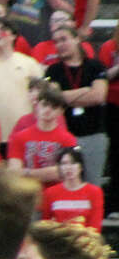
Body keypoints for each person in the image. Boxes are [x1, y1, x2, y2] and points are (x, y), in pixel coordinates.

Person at [45, 24, 108, 184]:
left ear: (77, 39)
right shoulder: (52, 71)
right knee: (66, 184)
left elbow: (98, 96)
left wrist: (63, 96)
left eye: (64, 39)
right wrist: (85, 91)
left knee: (93, 184)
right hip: (64, 137)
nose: (60, 44)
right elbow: (52, 99)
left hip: (93, 134)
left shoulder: (95, 66)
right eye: (56, 41)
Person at [0, 18, 46, 148]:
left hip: (26, 133)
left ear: (13, 36)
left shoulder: (30, 64)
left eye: (2, 30)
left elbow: (43, 98)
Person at [7, 82, 78, 185]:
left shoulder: (68, 140)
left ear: (61, 111)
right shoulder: (20, 137)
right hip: (27, 193)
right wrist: (49, 172)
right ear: (37, 105)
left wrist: (26, 173)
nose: (48, 110)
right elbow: (13, 171)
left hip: (56, 194)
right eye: (44, 105)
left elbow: (64, 172)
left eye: (54, 107)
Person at [40, 146, 103, 231]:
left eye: (73, 163)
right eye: (64, 163)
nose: (68, 167)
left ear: (81, 166)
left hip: (85, 240)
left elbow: (95, 227)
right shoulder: (50, 192)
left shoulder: (94, 192)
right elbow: (46, 225)